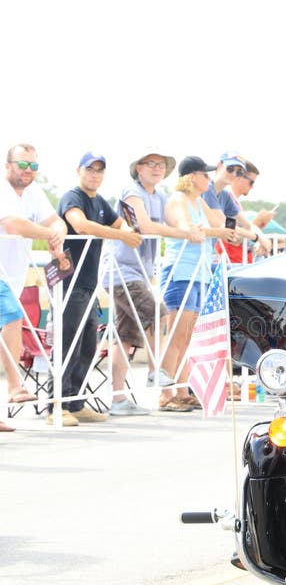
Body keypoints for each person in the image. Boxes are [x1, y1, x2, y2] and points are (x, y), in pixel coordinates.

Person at [102, 147, 206, 417]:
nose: (157, 168)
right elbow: (145, 226)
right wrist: (184, 234)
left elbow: (176, 223)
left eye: (161, 165)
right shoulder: (131, 191)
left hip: (140, 273)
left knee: (125, 338)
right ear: (139, 168)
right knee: (158, 313)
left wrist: (190, 228)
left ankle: (118, 399)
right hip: (121, 271)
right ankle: (155, 372)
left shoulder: (160, 197)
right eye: (151, 163)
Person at [47, 153, 142, 426]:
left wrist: (131, 228)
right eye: (90, 169)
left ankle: (75, 403)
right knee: (66, 344)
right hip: (68, 282)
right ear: (79, 170)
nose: (95, 175)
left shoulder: (100, 202)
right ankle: (56, 406)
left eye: (100, 170)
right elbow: (80, 225)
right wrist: (122, 235)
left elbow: (120, 223)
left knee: (87, 345)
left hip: (89, 283)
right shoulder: (72, 197)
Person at [159, 156, 235, 411]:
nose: (209, 179)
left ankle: (181, 390)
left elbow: (218, 224)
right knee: (176, 334)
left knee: (187, 336)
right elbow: (189, 228)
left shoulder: (198, 200)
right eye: (205, 175)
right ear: (193, 177)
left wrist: (220, 227)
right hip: (181, 271)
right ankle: (166, 392)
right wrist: (217, 231)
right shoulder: (178, 199)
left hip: (198, 273)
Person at [0, 144, 67, 430]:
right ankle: (15, 386)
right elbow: (12, 224)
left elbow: (57, 221)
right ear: (8, 165)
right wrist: (49, 233)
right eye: (23, 164)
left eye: (34, 166)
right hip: (2, 276)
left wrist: (57, 234)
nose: (29, 171)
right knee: (13, 315)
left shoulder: (34, 193)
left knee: (11, 317)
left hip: (14, 276)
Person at [202, 152, 270, 256]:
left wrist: (262, 238)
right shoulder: (208, 189)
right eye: (230, 169)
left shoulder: (225, 195)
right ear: (219, 166)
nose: (234, 174)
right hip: (191, 253)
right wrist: (257, 238)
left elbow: (247, 225)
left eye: (239, 172)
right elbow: (224, 224)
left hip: (205, 253)